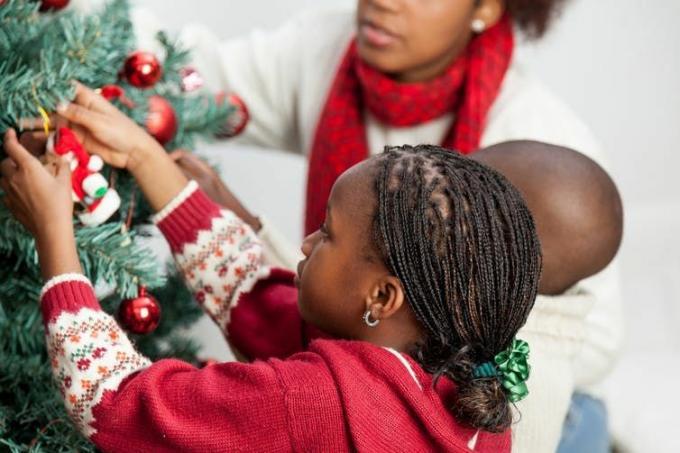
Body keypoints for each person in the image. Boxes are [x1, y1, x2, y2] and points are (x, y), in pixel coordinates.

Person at [1, 84, 542, 452]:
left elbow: (116, 403)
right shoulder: (456, 384)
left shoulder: (309, 403)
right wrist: (146, 158)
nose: (304, 243)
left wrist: (54, 235)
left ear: (381, 298)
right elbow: (257, 301)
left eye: (327, 233)